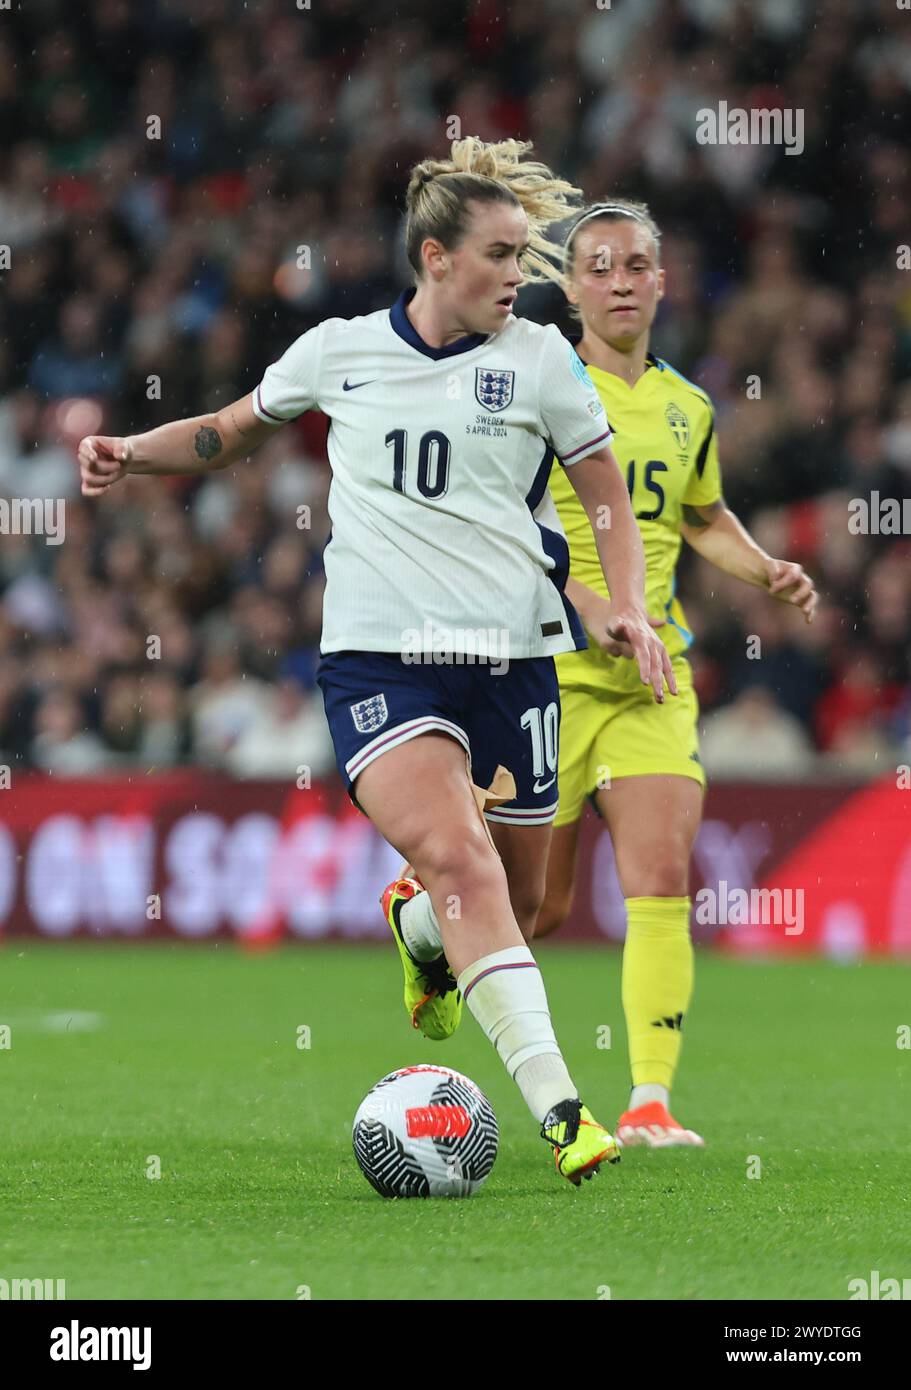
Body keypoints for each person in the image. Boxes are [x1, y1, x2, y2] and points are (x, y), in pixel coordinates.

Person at [79, 140, 673, 1185]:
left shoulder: (540, 362)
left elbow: (603, 501)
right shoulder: (339, 351)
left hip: (515, 661)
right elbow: (226, 432)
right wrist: (132, 453)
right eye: (498, 254)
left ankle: (422, 932)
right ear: (436, 259)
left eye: (523, 256)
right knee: (460, 856)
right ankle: (561, 1109)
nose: (517, 276)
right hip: (379, 662)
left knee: (529, 909)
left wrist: (623, 607)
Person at [534, 199, 818, 1147]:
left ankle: (648, 1101)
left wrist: (762, 567)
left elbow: (699, 516)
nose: (619, 280)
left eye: (637, 264)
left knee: (659, 878)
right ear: (571, 287)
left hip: (651, 675)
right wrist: (592, 605)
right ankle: (436, 963)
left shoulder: (686, 405)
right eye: (600, 265)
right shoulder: (536, 386)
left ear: (661, 281)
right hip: (543, 671)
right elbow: (504, 527)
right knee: (537, 905)